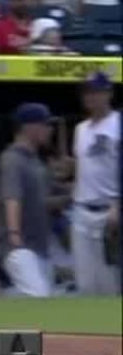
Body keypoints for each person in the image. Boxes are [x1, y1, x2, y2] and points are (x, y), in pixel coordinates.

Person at [0, 103, 58, 297]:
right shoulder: (12, 158)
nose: (50, 130)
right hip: (19, 247)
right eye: (45, 125)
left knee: (36, 300)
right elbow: (11, 197)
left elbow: (44, 202)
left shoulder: (36, 161)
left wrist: (77, 195)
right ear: (29, 127)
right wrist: (14, 233)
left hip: (39, 246)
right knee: (39, 297)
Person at [70, 72, 120, 295]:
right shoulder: (80, 129)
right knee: (85, 283)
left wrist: (118, 205)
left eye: (95, 91)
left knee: (110, 283)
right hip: (81, 209)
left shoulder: (118, 123)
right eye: (86, 92)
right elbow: (83, 168)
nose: (90, 97)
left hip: (109, 211)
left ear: (108, 93)